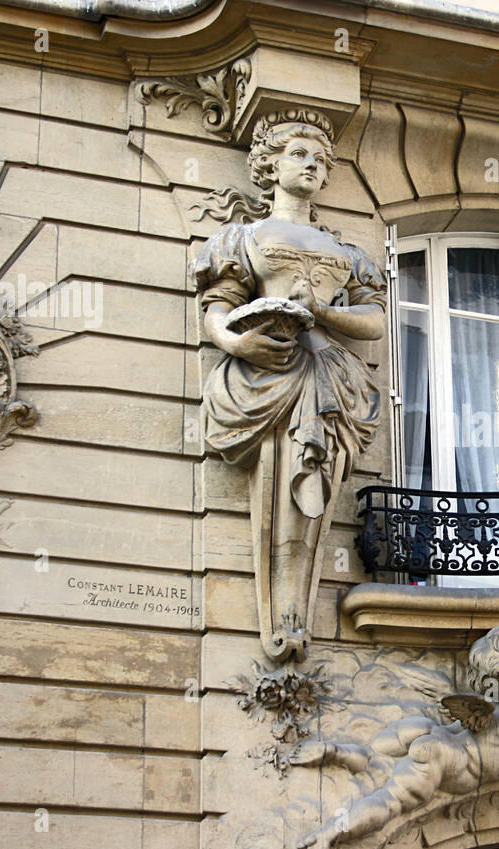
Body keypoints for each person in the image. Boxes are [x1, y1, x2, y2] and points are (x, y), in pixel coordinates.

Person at [192, 110, 384, 663]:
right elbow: (217, 311)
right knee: (280, 482)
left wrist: (322, 309)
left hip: (327, 374)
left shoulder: (347, 254)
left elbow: (373, 321)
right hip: (268, 372)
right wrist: (235, 344)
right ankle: (282, 613)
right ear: (270, 164)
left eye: (322, 160)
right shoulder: (244, 237)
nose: (313, 166)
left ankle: (293, 612)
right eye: (300, 154)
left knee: (311, 486)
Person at [292, 626, 499, 849]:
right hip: (448, 761)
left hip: (430, 733)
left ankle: (346, 753)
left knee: (378, 756)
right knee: (390, 803)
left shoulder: (492, 712)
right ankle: (332, 832)